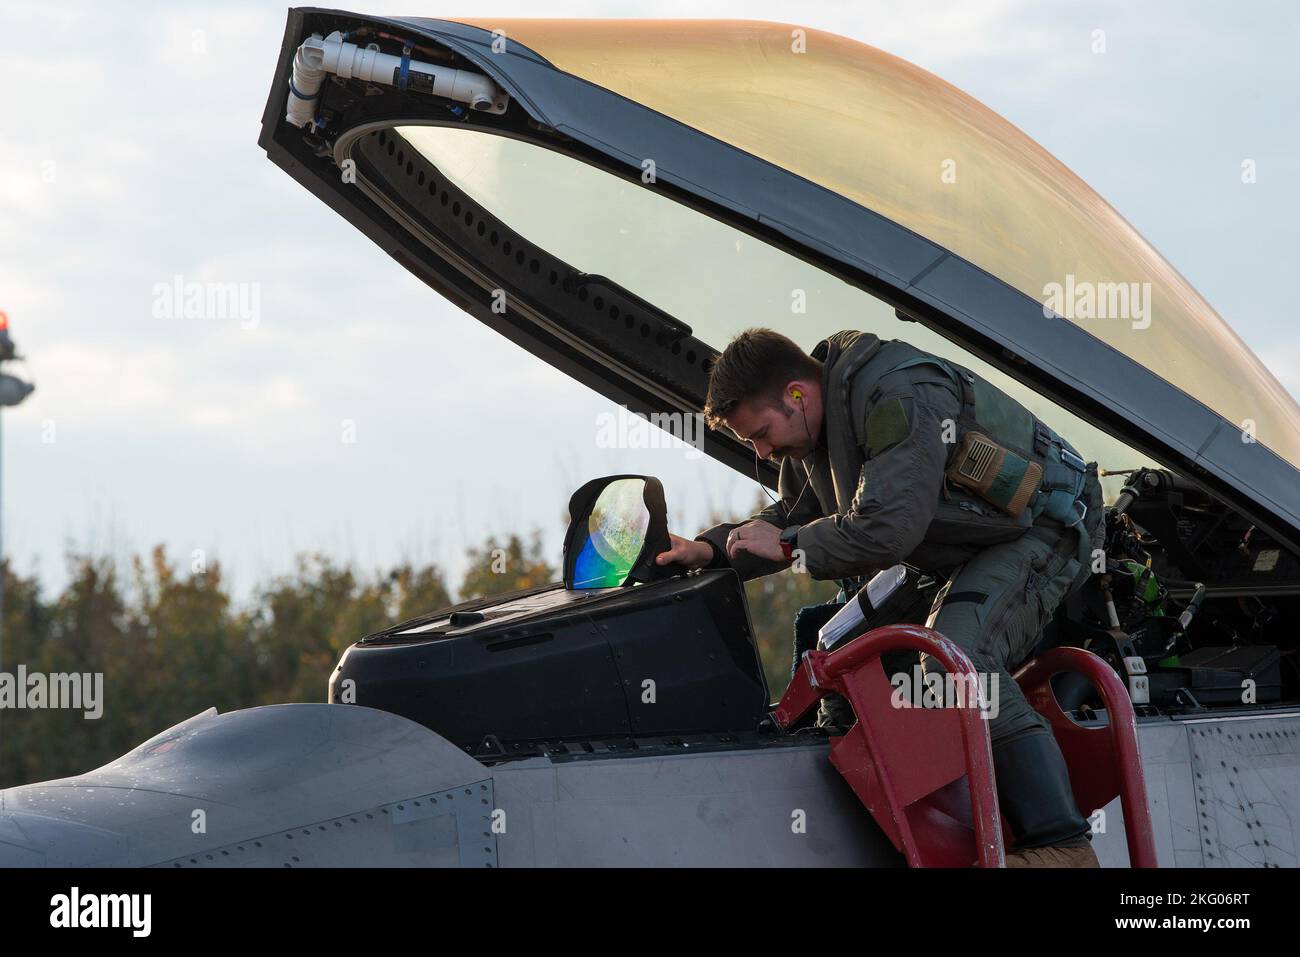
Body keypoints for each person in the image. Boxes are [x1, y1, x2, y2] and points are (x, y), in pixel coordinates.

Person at [656, 328, 1105, 868]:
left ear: (795, 395)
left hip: (1043, 530)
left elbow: (886, 529)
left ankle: (1061, 845)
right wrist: (710, 550)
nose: (762, 450)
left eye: (761, 433)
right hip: (953, 548)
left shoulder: (900, 395)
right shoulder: (815, 433)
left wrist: (789, 544)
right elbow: (796, 518)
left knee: (954, 660)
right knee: (837, 653)